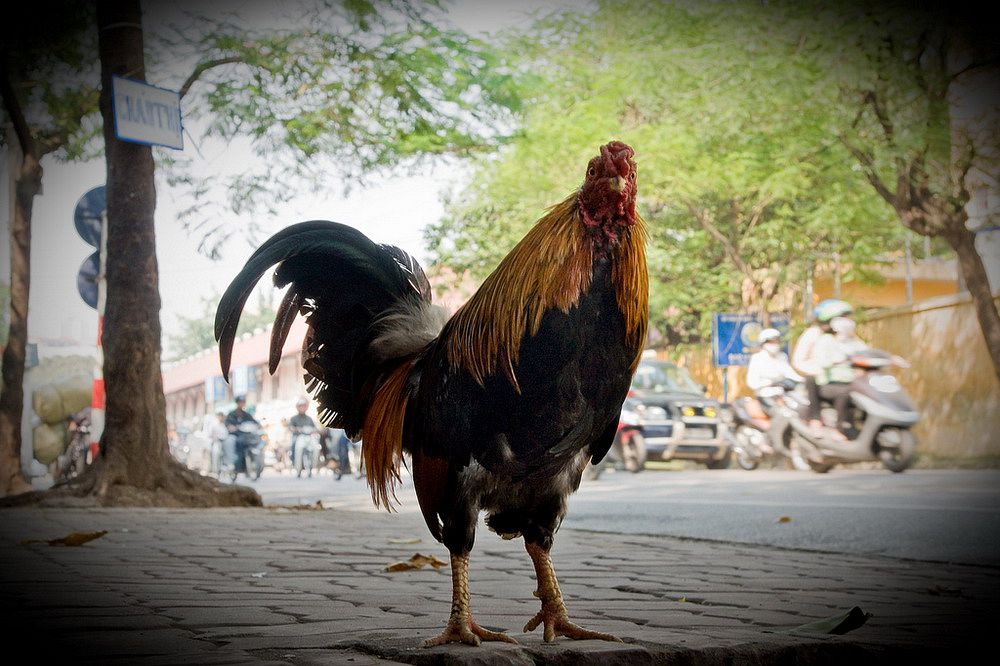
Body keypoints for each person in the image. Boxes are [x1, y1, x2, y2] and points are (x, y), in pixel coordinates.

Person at [792, 299, 853, 435]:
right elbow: (798, 361)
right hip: (818, 376)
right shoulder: (813, 334)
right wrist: (820, 369)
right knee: (812, 379)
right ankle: (815, 418)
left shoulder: (842, 335)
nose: (846, 321)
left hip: (840, 376)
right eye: (841, 318)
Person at [746, 328, 802, 404]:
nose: (775, 344)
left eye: (776, 341)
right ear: (763, 343)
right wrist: (769, 382)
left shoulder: (782, 356)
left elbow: (791, 374)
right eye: (771, 342)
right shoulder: (757, 358)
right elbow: (752, 383)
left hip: (783, 393)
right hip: (765, 395)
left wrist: (804, 381)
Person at [224, 396, 259, 472]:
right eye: (240, 402)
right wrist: (231, 427)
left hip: (245, 436)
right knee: (229, 442)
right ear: (237, 403)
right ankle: (231, 463)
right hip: (235, 435)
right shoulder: (231, 414)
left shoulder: (247, 415)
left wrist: (259, 425)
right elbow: (227, 424)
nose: (242, 404)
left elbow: (254, 422)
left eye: (243, 402)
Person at [288, 397, 316, 473]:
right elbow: (290, 427)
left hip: (308, 437)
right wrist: (297, 429)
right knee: (293, 444)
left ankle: (313, 464)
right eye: (301, 406)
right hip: (297, 437)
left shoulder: (309, 418)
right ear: (298, 407)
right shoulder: (294, 418)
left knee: (316, 447)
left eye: (304, 406)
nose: (302, 408)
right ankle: (293, 460)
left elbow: (314, 428)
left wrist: (314, 430)